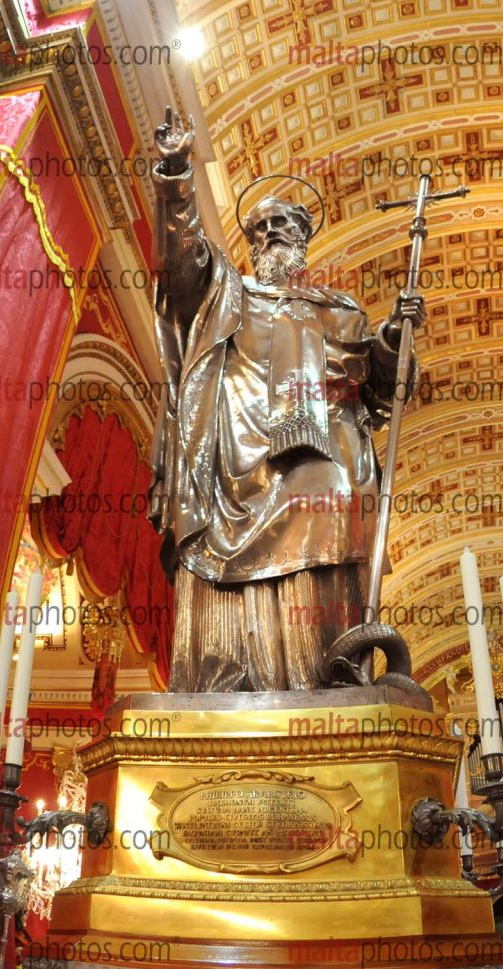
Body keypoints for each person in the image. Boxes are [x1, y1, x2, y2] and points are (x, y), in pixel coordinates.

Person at [148, 107, 424, 692]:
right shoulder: (228, 293)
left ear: (302, 240)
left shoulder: (336, 309)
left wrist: (393, 342)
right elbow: (181, 264)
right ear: (249, 244)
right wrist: (176, 175)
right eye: (261, 229)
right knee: (246, 523)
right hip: (231, 459)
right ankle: (232, 674)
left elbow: (377, 388)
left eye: (283, 227)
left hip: (315, 451)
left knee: (329, 492)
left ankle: (321, 674)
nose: (271, 236)